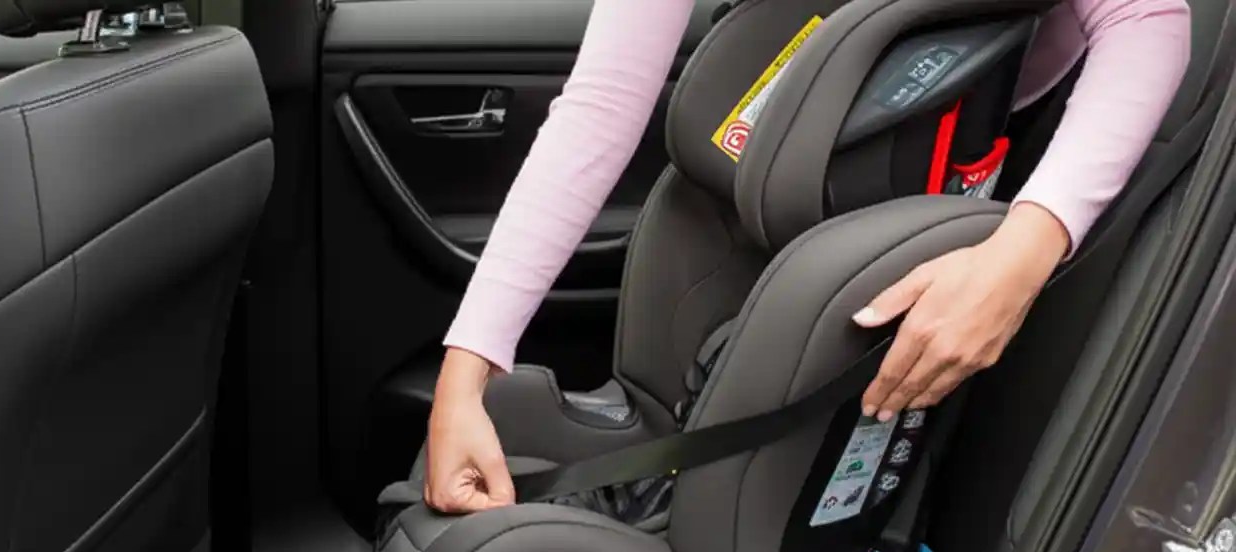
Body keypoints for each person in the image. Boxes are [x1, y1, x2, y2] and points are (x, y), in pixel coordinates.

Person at [424, 0, 1192, 514]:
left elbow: (1144, 17)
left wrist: (1022, 253)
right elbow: (601, 103)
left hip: (944, 224)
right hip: (770, 214)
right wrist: (466, 373)